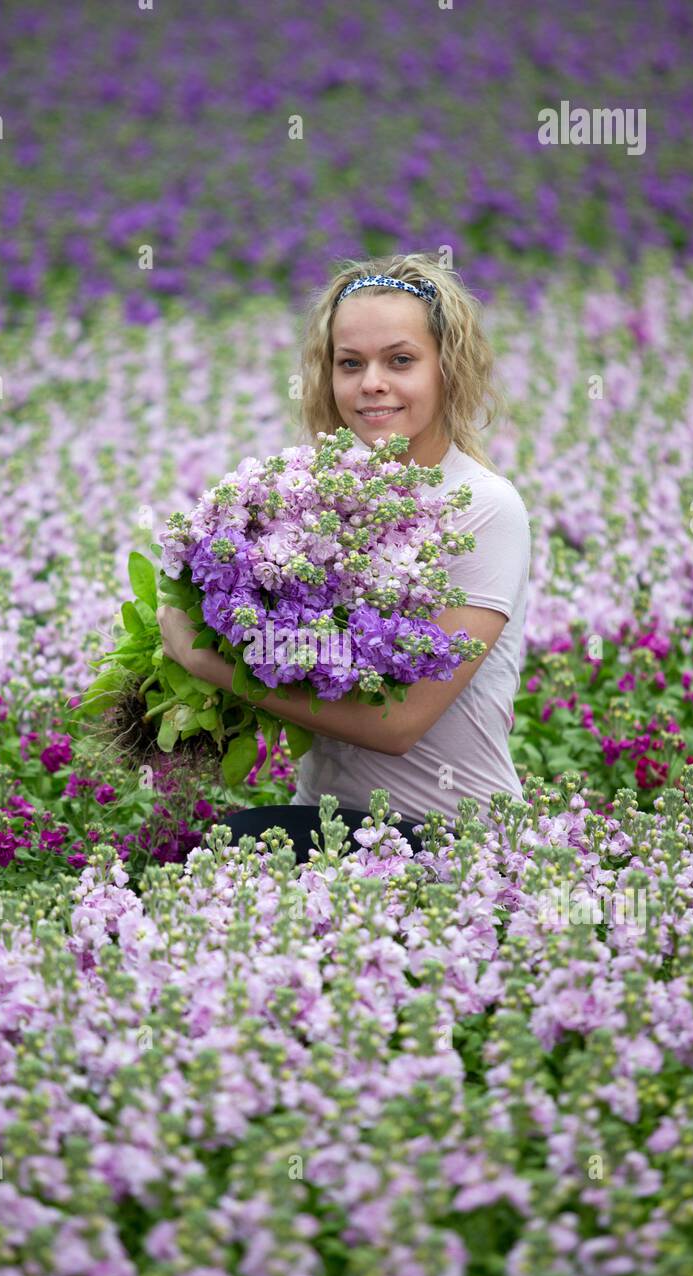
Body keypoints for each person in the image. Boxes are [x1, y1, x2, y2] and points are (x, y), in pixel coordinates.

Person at [157, 252, 531, 855]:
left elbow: (399, 726)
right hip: (329, 818)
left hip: (451, 840)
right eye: (350, 363)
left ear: (448, 370)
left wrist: (205, 664)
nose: (372, 383)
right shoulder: (321, 491)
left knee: (226, 854)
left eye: (401, 360)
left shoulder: (483, 508)